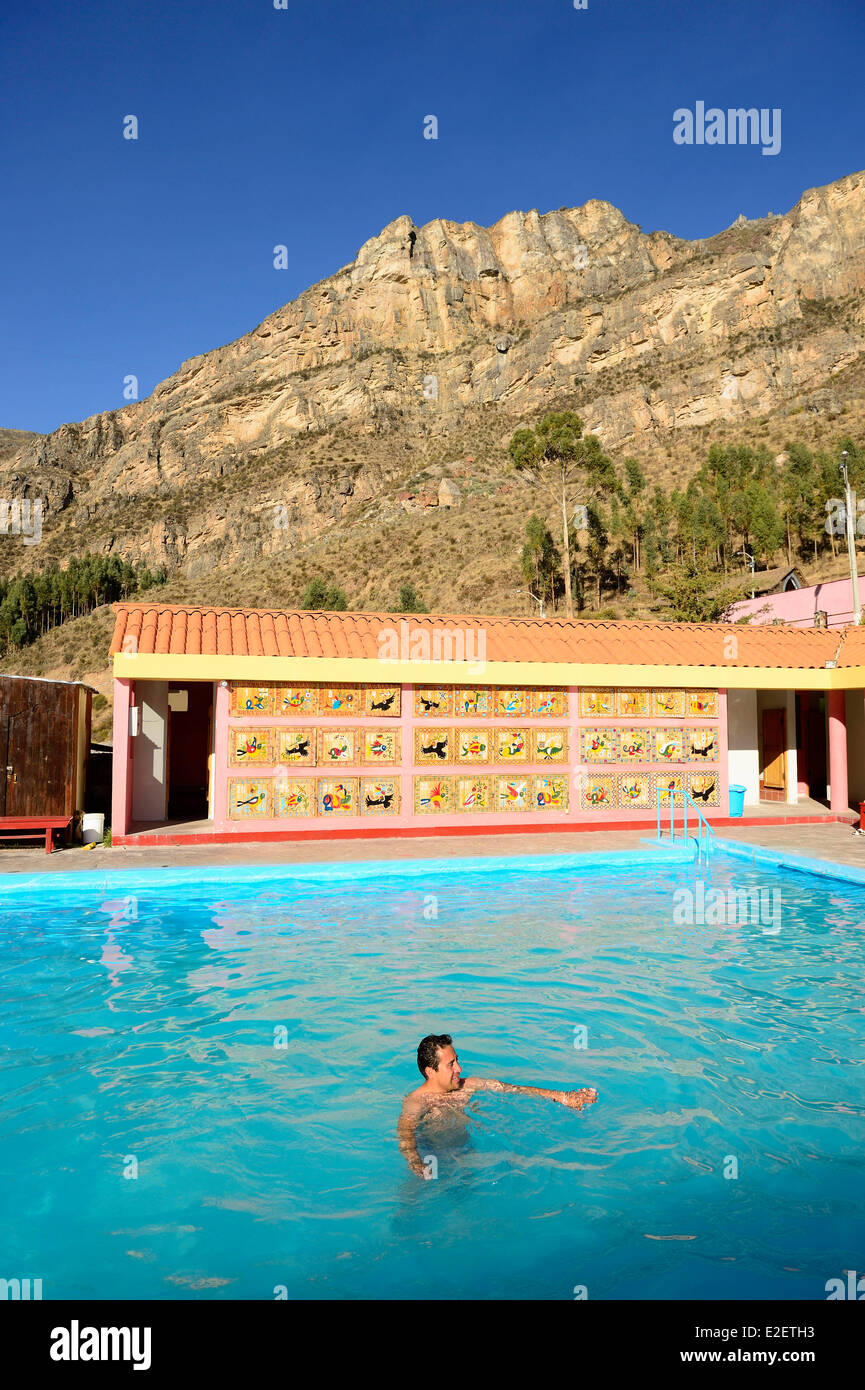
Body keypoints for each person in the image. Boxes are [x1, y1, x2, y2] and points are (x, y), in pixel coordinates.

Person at [397, 1033, 598, 1178]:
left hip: (466, 1152)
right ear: (431, 1071)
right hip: (433, 1157)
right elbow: (405, 1135)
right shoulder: (416, 1101)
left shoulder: (468, 1085)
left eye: (457, 1060)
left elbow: (514, 1089)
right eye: (451, 1064)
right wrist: (416, 1163)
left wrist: (563, 1097)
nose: (459, 1068)